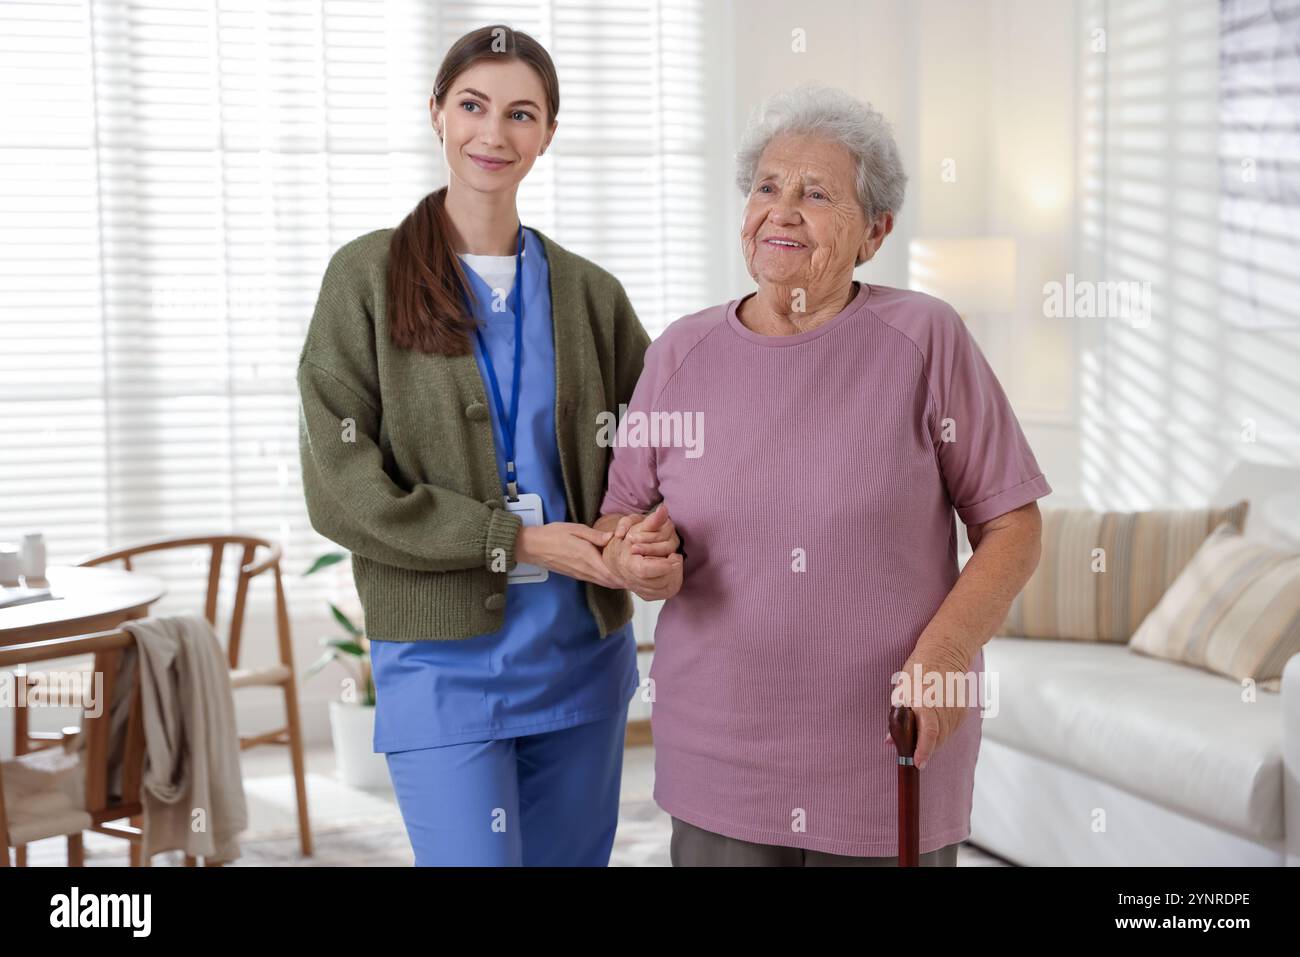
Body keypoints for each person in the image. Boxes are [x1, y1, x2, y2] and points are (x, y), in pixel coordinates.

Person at [599, 83, 1049, 866]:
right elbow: (619, 518)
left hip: (888, 746)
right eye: (767, 187)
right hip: (721, 751)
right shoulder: (680, 352)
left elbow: (1013, 522)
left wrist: (944, 656)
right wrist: (633, 558)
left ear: (874, 232)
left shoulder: (924, 339)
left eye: (816, 194)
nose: (781, 209)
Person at [296, 24, 680, 866]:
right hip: (441, 663)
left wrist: (639, 539)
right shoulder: (365, 279)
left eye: (521, 113)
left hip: (578, 656)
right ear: (436, 113)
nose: (493, 133)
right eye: (472, 105)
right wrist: (515, 539)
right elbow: (342, 486)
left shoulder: (589, 294)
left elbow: (655, 455)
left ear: (548, 134)